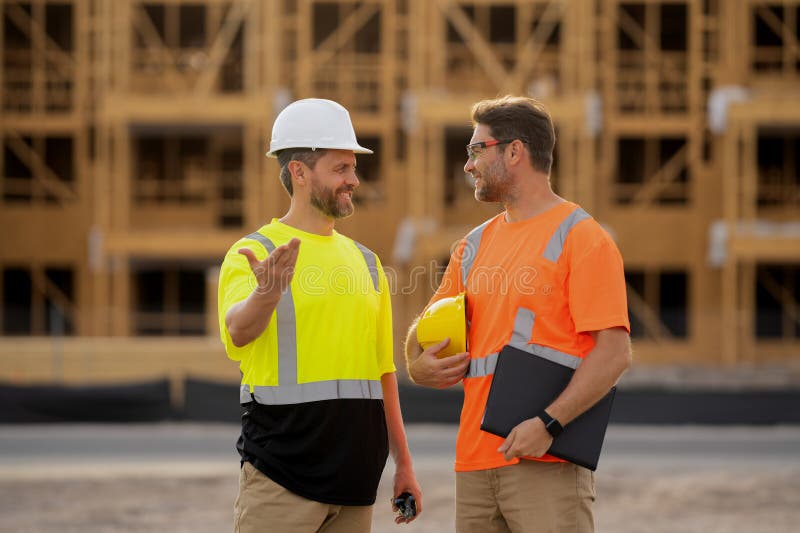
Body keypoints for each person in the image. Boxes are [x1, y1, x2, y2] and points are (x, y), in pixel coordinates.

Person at [405, 95, 632, 533]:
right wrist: (419, 365)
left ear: (514, 151)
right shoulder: (473, 244)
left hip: (545, 462)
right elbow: (424, 332)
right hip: (473, 463)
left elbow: (614, 353)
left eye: (476, 150)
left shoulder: (583, 238)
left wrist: (549, 424)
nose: (468, 165)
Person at [218, 98, 422, 533]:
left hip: (356, 483)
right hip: (281, 479)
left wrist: (404, 464)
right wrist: (267, 292)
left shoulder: (367, 263)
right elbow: (238, 331)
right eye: (340, 169)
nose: (354, 180)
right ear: (299, 172)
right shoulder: (255, 252)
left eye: (353, 167)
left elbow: (383, 372)